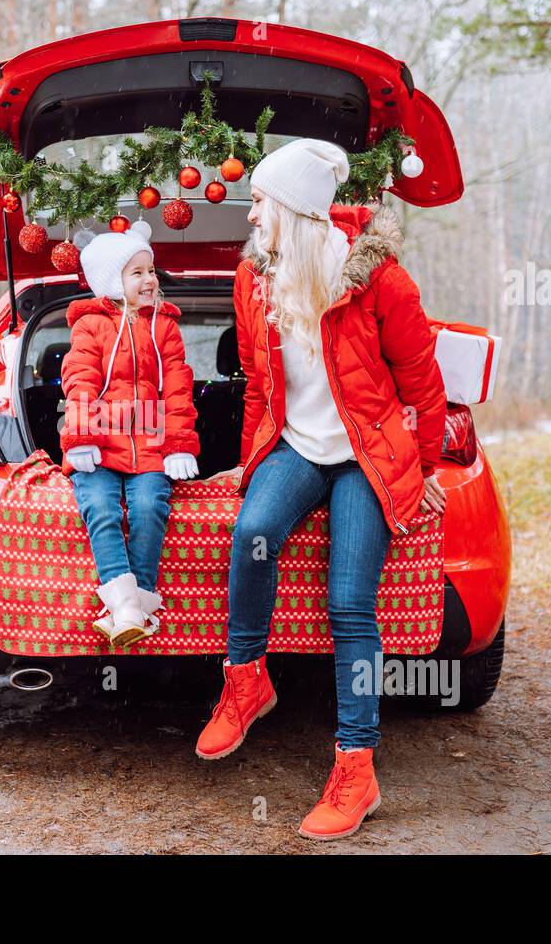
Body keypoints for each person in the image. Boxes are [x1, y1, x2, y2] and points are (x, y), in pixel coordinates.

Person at [194, 139, 448, 840]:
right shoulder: (255, 282)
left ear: (297, 214)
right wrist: (251, 466)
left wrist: (422, 468)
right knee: (251, 534)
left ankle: (356, 767)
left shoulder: (379, 282)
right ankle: (246, 679)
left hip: (365, 457)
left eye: (260, 205)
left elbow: (425, 384)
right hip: (297, 448)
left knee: (348, 603)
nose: (250, 218)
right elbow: (257, 385)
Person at [59, 224, 200, 649]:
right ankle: (126, 607)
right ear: (110, 282)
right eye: (136, 273)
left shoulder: (165, 329)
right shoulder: (89, 327)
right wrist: (81, 436)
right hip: (98, 447)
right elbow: (79, 379)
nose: (149, 280)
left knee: (149, 508)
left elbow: (178, 388)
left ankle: (131, 608)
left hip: (151, 447)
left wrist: (178, 445)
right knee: (100, 507)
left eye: (151, 270)